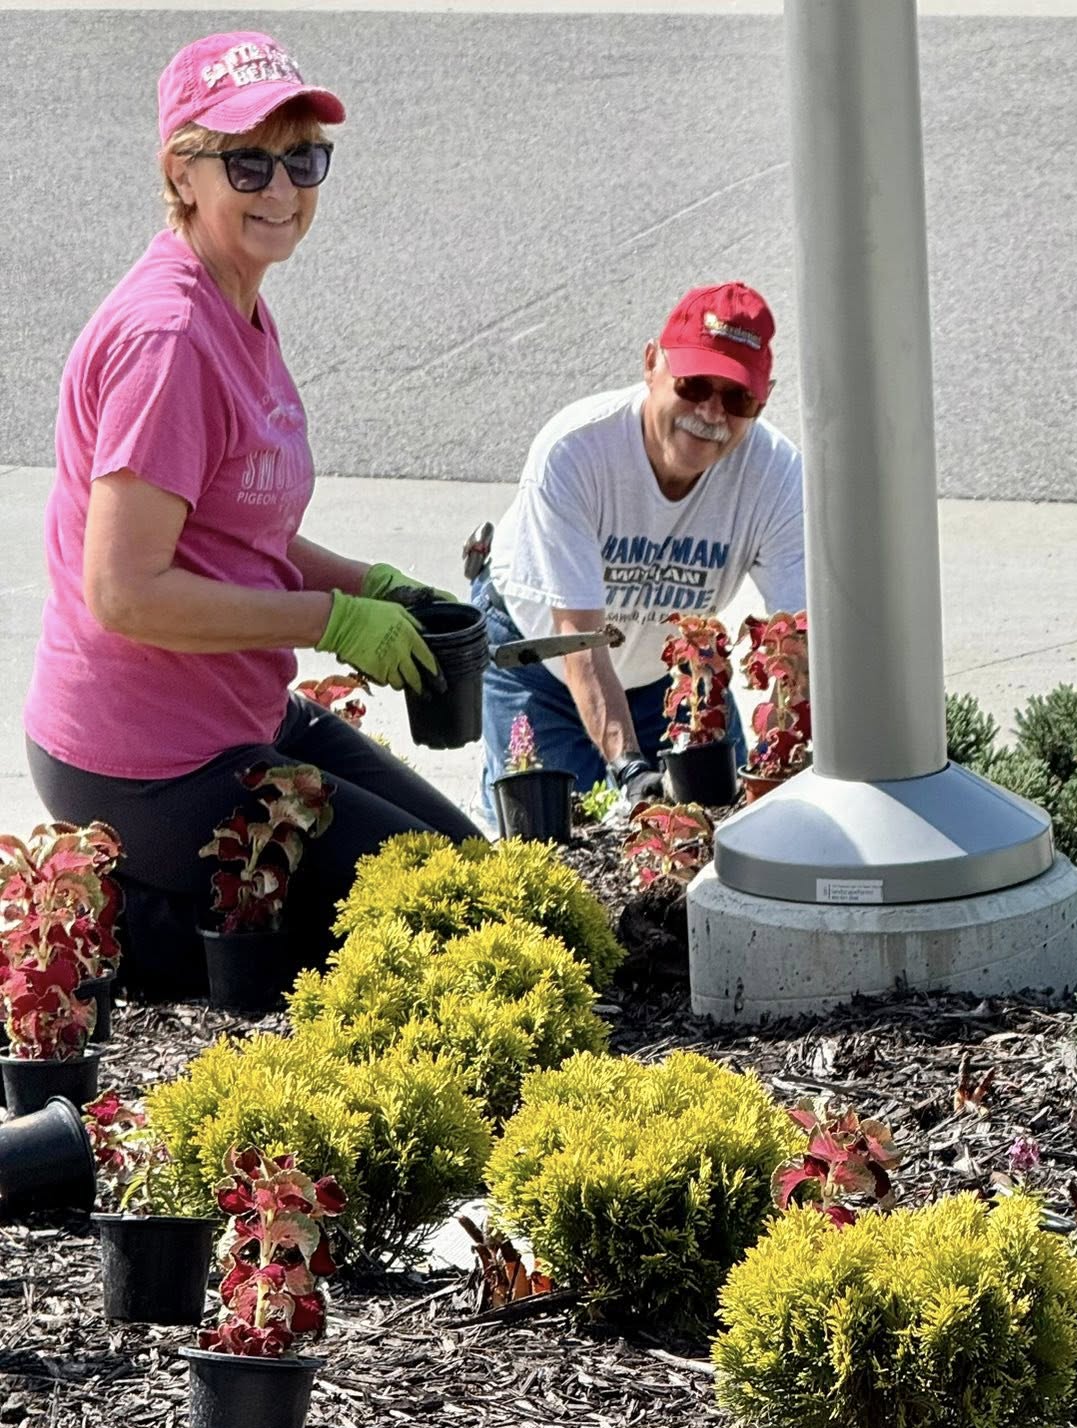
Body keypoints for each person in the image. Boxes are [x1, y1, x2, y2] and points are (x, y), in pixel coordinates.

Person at [25, 30, 480, 996]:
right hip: (143, 766)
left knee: (471, 880)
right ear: (181, 173)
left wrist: (375, 586)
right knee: (431, 927)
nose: (282, 188)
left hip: (237, 721)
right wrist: (332, 622)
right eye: (249, 161)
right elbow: (127, 591)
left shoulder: (237, 301)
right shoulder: (171, 337)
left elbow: (242, 532)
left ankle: (197, 922)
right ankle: (126, 931)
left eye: (303, 157)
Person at [471, 281, 805, 814]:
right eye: (695, 385)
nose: (713, 413)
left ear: (763, 402)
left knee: (731, 824)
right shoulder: (576, 451)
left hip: (667, 675)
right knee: (563, 847)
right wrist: (629, 768)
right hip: (541, 659)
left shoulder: (778, 475)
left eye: (738, 397)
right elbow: (577, 638)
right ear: (652, 363)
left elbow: (802, 636)